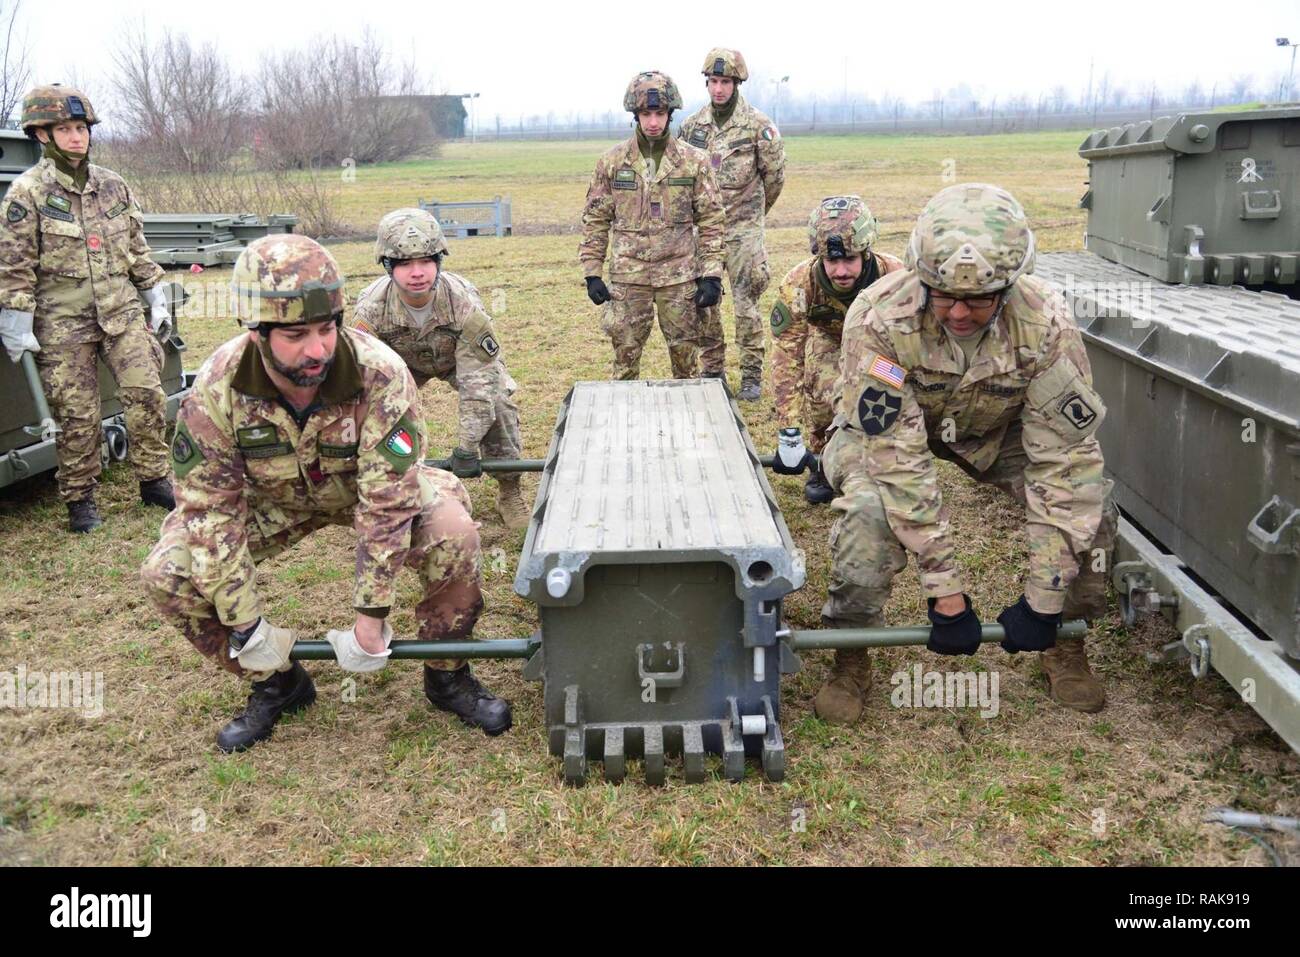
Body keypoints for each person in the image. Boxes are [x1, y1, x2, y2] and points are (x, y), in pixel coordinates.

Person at [139, 234, 511, 753]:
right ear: (256, 331)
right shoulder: (217, 388)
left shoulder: (379, 372)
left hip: (370, 489)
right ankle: (277, 682)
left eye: (325, 329)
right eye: (295, 334)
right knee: (168, 572)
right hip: (273, 500)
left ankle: (447, 674)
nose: (316, 349)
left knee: (454, 533)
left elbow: (389, 501)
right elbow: (209, 510)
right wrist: (247, 626)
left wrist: (371, 617)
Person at [816, 183, 1117, 725]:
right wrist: (944, 592)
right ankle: (850, 649)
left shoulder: (1045, 322)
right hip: (881, 434)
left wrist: (1044, 599)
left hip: (998, 431)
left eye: (977, 300)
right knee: (867, 513)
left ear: (1007, 287)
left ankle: (1065, 644)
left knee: (1095, 514)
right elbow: (897, 457)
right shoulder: (878, 316)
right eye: (942, 295)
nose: (958, 313)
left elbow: (1066, 464)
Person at [0, 83, 174, 532]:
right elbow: (16, 266)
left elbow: (136, 249)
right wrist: (16, 320)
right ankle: (80, 500)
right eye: (65, 129)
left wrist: (154, 293)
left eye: (81, 128)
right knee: (76, 416)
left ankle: (154, 479)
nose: (77, 137)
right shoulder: (28, 193)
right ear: (42, 135)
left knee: (147, 394)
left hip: (120, 313)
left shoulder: (112, 185)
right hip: (62, 323)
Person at [351, 208, 528, 530]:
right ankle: (388, 488)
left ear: (439, 262)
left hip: (456, 362)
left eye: (426, 261)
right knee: (370, 410)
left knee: (498, 401)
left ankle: (510, 490)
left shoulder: (464, 304)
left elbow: (479, 384)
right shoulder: (370, 311)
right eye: (404, 264)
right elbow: (362, 381)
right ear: (388, 266)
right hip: (401, 367)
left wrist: (466, 447)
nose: (417, 272)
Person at [579, 70, 725, 380]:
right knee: (625, 361)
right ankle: (625, 424)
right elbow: (595, 219)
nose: (653, 122)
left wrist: (711, 274)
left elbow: (712, 220)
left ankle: (688, 423)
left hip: (679, 277)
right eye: (646, 114)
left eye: (659, 113)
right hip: (628, 278)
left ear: (670, 114)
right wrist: (592, 272)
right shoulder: (612, 162)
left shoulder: (694, 161)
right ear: (636, 115)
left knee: (686, 362)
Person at [770, 196, 903, 504]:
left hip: (877, 347)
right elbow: (786, 358)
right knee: (822, 387)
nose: (841, 271)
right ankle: (822, 462)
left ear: (866, 252)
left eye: (850, 260)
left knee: (887, 390)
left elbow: (916, 343)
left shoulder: (895, 278)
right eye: (832, 261)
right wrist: (788, 431)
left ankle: (885, 459)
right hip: (829, 339)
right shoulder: (799, 283)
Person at [678, 47, 785, 400]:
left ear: (737, 83)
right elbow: (682, 177)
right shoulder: (692, 127)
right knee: (704, 301)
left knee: (746, 304)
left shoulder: (759, 126)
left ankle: (752, 375)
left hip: (743, 232)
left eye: (725, 82)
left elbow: (774, 178)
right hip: (704, 233)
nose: (718, 89)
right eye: (713, 82)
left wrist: (753, 216)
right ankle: (713, 371)